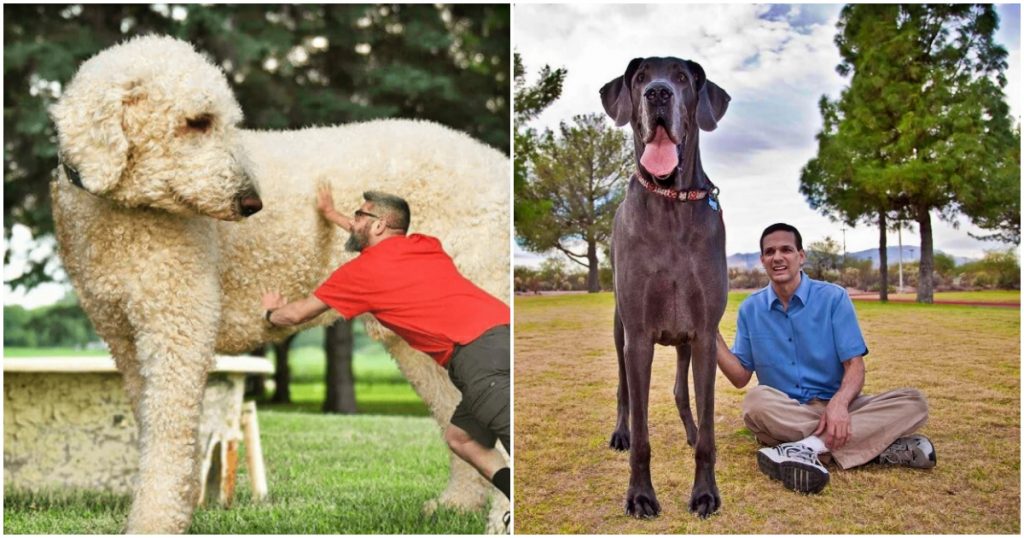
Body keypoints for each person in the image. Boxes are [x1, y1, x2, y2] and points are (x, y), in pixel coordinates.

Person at [260, 187, 511, 507]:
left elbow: (296, 314)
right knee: (460, 438)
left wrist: (269, 312)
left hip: (480, 357)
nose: (353, 221)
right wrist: (331, 214)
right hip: (502, 332)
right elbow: (370, 233)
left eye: (359, 215)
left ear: (378, 225)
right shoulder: (425, 244)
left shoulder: (359, 274)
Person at [715, 222, 935, 494]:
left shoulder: (833, 298)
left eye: (786, 249)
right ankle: (877, 447)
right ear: (762, 260)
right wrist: (708, 332)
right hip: (787, 411)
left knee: (914, 402)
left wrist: (840, 405)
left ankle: (806, 448)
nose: (778, 257)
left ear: (801, 256)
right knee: (755, 402)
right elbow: (740, 378)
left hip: (839, 406)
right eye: (770, 252)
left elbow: (854, 365)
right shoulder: (751, 309)